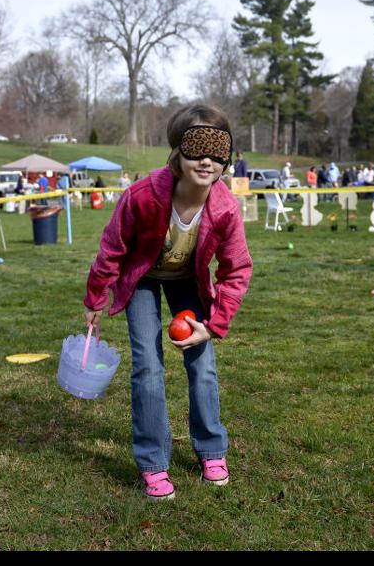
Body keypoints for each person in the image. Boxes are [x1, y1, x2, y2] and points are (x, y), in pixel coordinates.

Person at [83, 103, 253, 502]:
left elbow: (237, 270)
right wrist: (96, 295)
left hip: (188, 281)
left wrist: (212, 326)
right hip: (142, 277)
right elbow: (113, 248)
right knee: (148, 366)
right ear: (178, 150)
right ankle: (153, 462)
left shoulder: (225, 207)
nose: (207, 159)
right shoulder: (142, 196)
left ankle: (211, 448)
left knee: (203, 365)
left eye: (218, 149)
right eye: (197, 146)